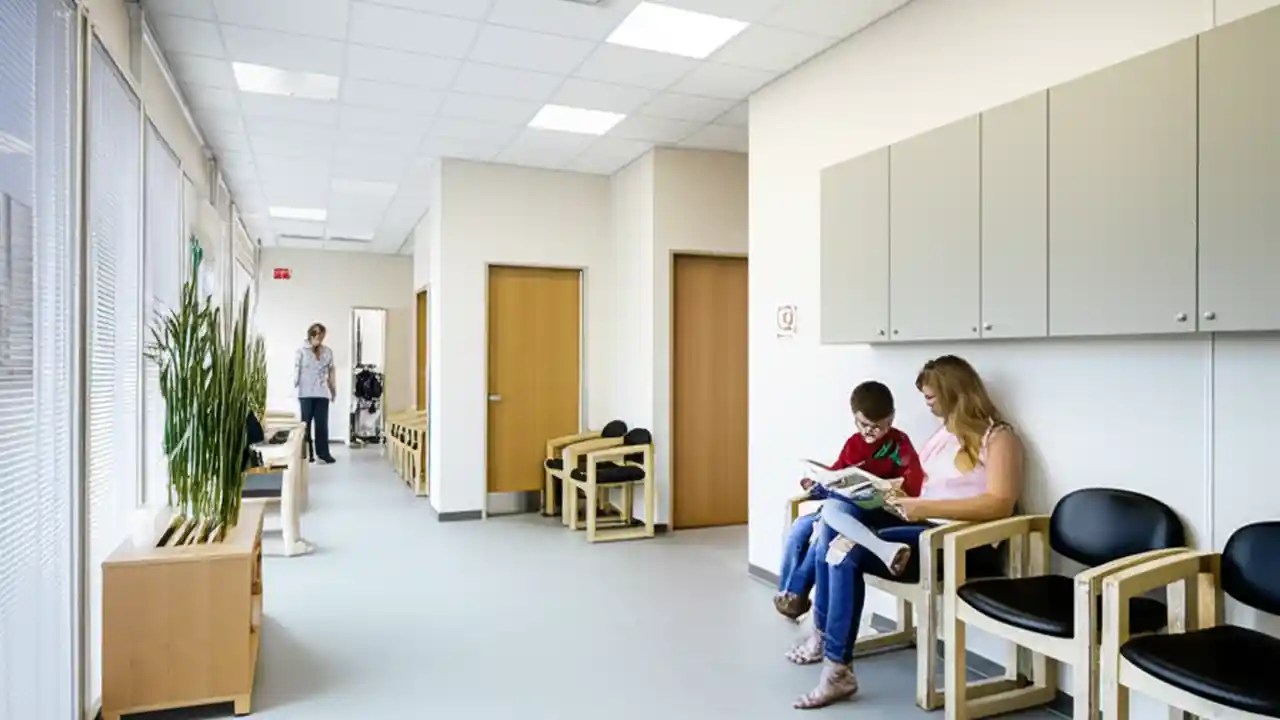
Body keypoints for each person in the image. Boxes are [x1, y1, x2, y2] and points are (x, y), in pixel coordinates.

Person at [792, 356, 1023, 710]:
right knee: (835, 525)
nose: (927, 405)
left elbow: (1000, 504)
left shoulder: (999, 437)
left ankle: (834, 663)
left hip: (959, 542)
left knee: (844, 550)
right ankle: (833, 658)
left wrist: (922, 507)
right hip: (918, 528)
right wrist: (890, 495)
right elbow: (921, 487)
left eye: (930, 397)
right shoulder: (943, 436)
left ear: (953, 392)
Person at [775, 381, 925, 620]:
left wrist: (891, 487)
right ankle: (786, 592)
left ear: (891, 418)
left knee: (823, 530)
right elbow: (836, 475)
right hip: (844, 508)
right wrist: (817, 484)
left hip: (877, 514)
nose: (869, 432)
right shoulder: (853, 444)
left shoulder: (900, 445)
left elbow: (913, 487)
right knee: (800, 527)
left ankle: (796, 594)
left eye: (877, 426)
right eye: (863, 424)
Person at [295, 322, 337, 464]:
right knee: (305, 425)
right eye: (316, 333)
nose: (318, 336)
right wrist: (294, 387)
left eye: (321, 334)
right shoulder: (301, 351)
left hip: (322, 393)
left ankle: (323, 453)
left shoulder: (327, 352)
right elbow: (296, 371)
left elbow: (331, 372)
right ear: (310, 334)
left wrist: (333, 390)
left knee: (321, 424)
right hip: (305, 393)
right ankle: (307, 454)